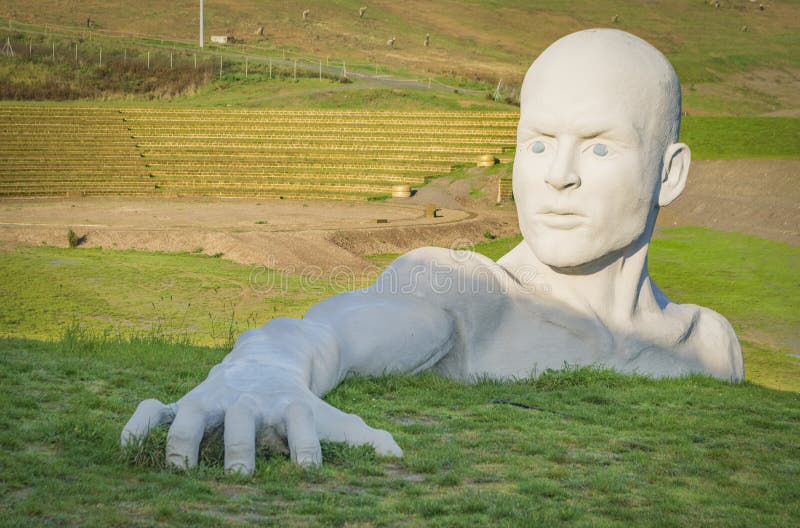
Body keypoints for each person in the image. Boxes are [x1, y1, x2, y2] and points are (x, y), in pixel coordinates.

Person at [122, 29, 744, 476]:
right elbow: (328, 331)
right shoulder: (465, 293)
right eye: (538, 144)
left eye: (600, 148)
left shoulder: (710, 344)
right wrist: (264, 368)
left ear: (670, 173)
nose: (559, 175)